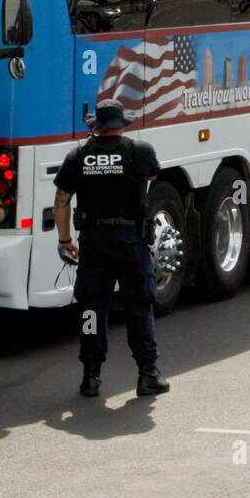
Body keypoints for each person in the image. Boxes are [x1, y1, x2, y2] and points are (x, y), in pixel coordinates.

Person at [54, 99, 169, 398]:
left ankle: (90, 376)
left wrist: (65, 241)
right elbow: (153, 176)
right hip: (130, 241)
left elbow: (62, 201)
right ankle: (147, 374)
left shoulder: (78, 155)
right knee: (139, 307)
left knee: (92, 309)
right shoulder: (139, 151)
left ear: (96, 126)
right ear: (121, 124)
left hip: (93, 242)